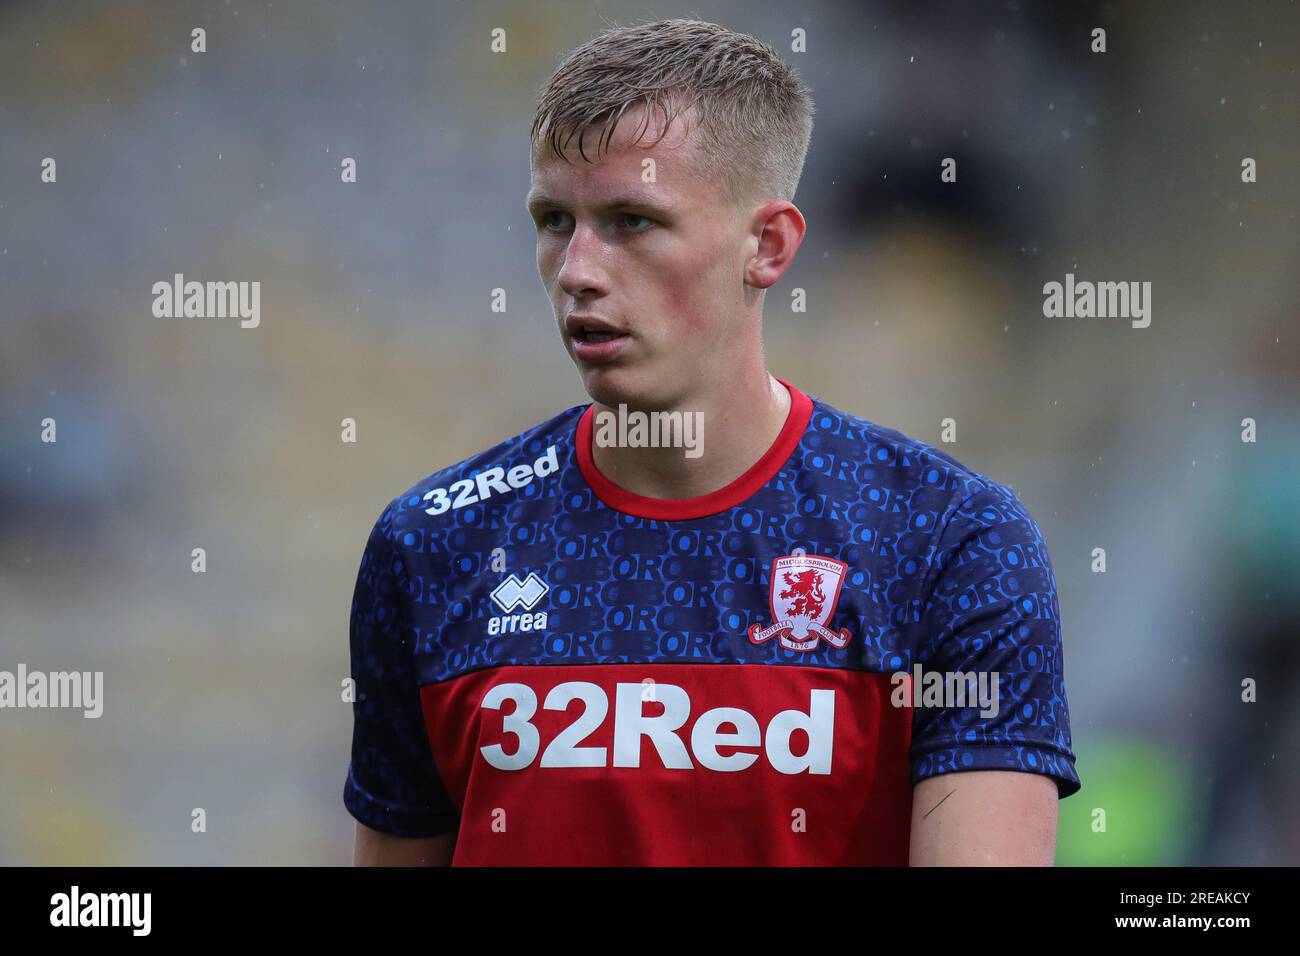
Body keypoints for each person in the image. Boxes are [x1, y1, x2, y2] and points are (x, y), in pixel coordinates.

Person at [345, 17, 1079, 866]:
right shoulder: (435, 544)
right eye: (554, 220)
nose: (578, 270)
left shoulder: (949, 543)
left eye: (631, 221)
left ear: (766, 246)